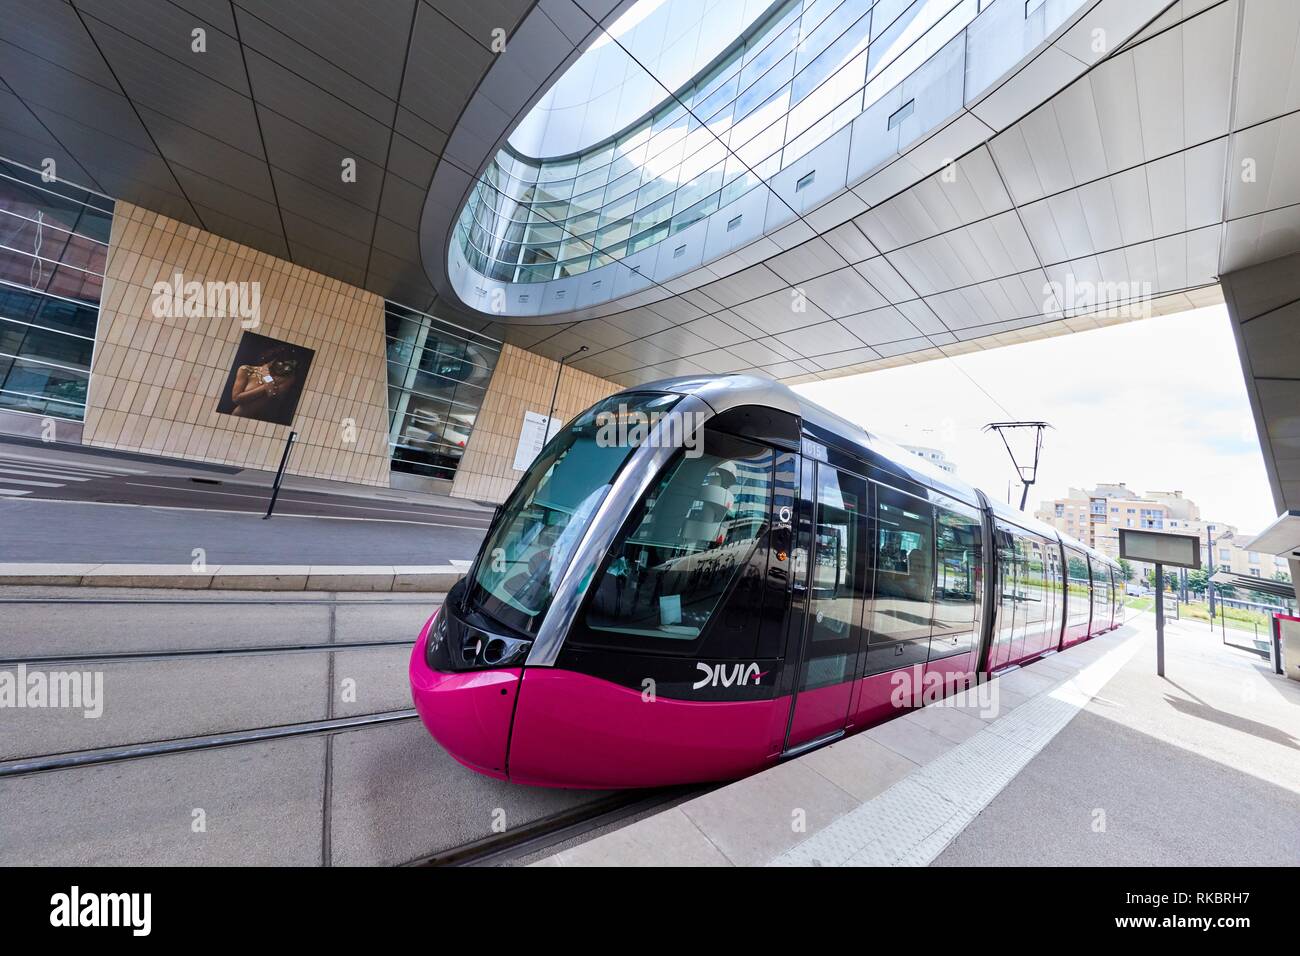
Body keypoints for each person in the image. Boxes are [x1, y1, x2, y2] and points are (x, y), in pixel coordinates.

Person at [229, 348, 300, 420]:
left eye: (290, 366)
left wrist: (268, 379)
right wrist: (267, 383)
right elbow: (236, 399)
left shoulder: (287, 379)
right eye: (283, 363)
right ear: (273, 360)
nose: (286, 368)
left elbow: (273, 396)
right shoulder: (247, 369)